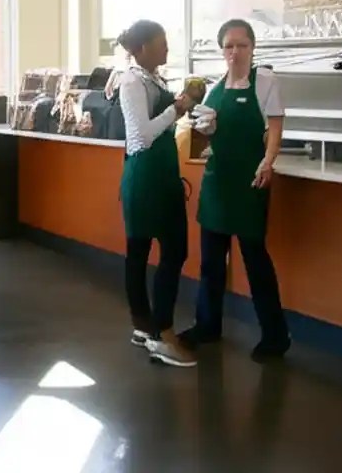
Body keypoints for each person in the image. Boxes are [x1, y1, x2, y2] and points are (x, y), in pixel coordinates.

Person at [181, 19, 291, 361]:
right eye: (228, 45)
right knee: (212, 262)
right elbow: (209, 139)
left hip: (249, 181)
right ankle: (208, 325)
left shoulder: (265, 81)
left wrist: (267, 161)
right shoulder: (214, 89)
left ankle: (275, 336)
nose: (235, 51)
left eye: (241, 45)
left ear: (253, 47)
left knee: (256, 260)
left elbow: (275, 126)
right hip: (217, 183)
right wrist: (207, 129)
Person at [116, 20, 197, 368]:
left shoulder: (153, 79)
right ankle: (161, 334)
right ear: (144, 48)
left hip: (162, 176)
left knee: (150, 251)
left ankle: (144, 325)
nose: (167, 49)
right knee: (162, 250)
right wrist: (177, 108)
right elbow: (141, 137)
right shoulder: (132, 81)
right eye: (162, 43)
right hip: (145, 177)